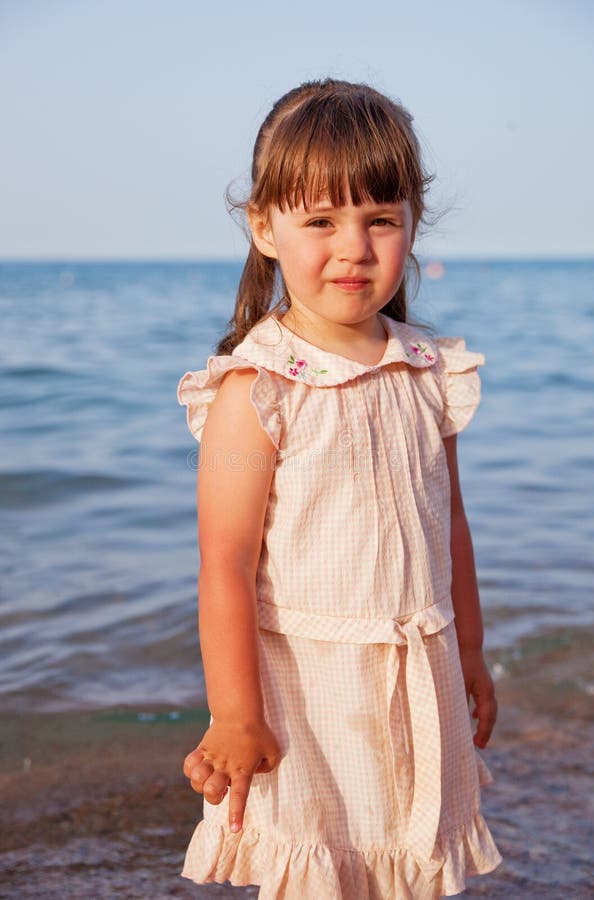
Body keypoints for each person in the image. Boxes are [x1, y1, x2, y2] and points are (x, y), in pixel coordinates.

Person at [176, 78, 502, 899]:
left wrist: (469, 650)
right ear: (265, 227)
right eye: (320, 220)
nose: (353, 247)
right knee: (323, 865)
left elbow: (450, 523)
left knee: (407, 858)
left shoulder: (429, 371)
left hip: (415, 673)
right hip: (311, 690)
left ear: (411, 225)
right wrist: (235, 715)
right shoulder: (257, 388)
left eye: (379, 219)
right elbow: (224, 564)